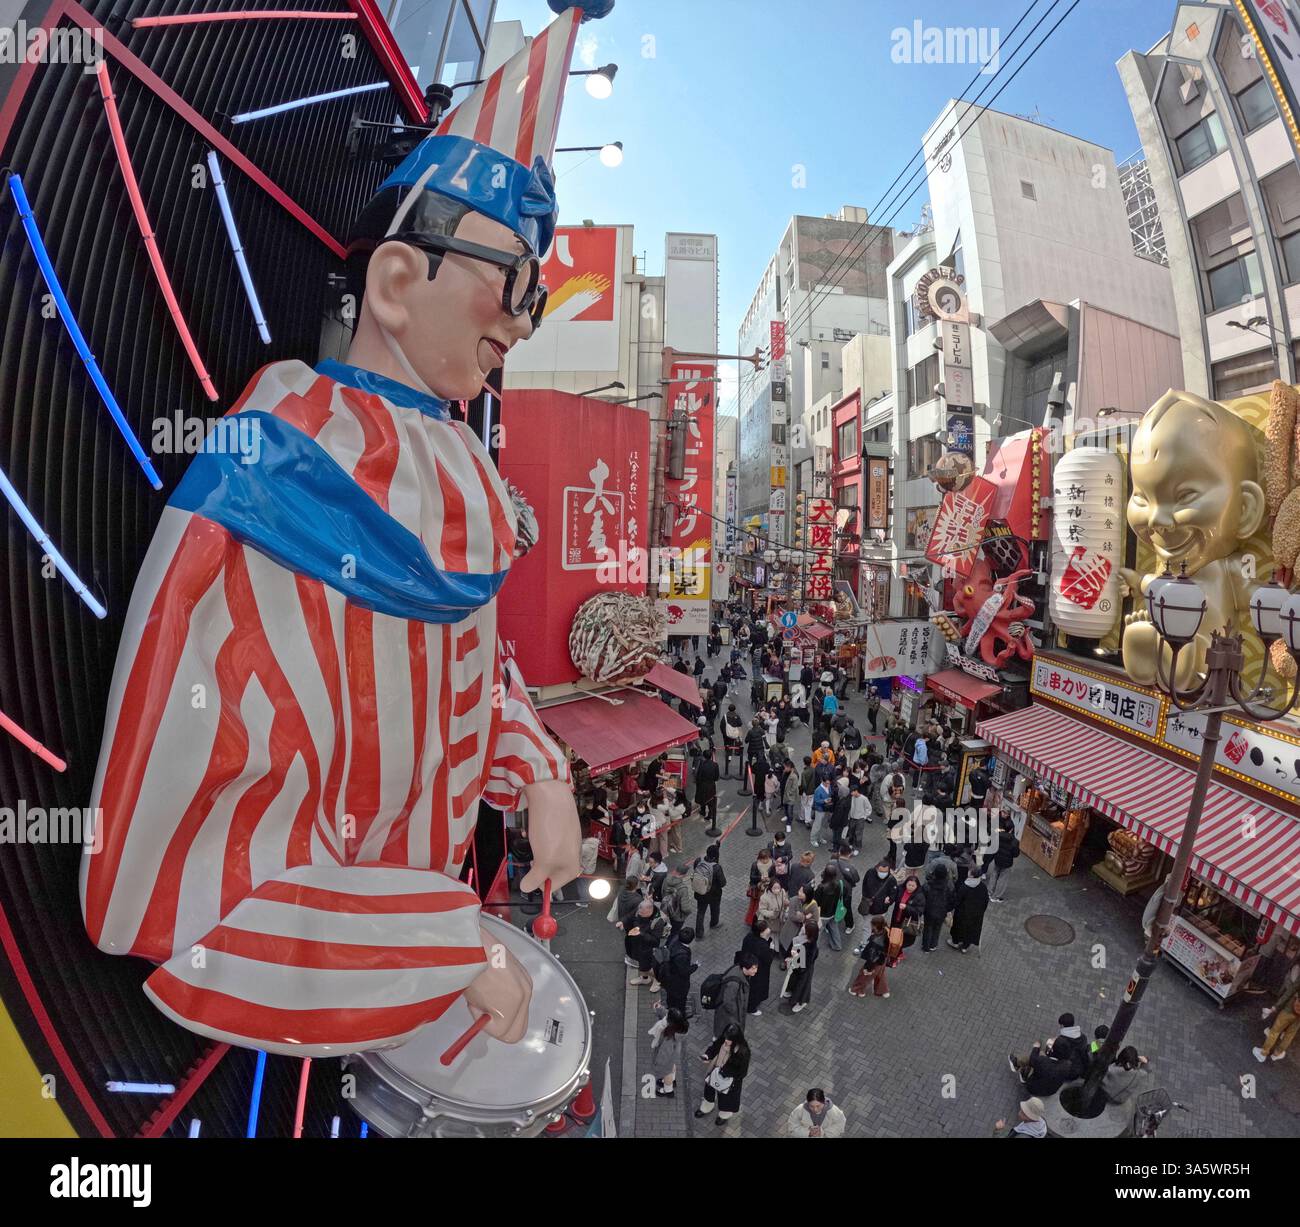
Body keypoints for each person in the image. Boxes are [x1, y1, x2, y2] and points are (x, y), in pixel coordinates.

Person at [696, 1022, 750, 1127]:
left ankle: (724, 1114)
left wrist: (725, 1072)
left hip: (729, 1079)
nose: (725, 1041)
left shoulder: (743, 1052)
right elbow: (714, 1047)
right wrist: (707, 1055)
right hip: (715, 1070)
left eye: (729, 1040)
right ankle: (707, 1106)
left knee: (727, 1098)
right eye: (725, 1037)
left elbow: (742, 1072)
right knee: (709, 1089)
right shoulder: (724, 1038)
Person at [1254, 968, 1300, 1063]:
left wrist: (1276, 1006)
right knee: (1289, 1035)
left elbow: (1290, 990)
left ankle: (1263, 1053)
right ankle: (1277, 1053)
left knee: (1275, 1030)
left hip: (1290, 1008)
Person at [947, 864, 990, 952]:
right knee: (971, 929)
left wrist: (951, 909)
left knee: (958, 927)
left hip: (963, 913)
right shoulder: (983, 887)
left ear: (971, 875)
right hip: (976, 914)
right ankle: (965, 947)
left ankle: (955, 942)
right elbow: (986, 900)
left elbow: (958, 900)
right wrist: (981, 911)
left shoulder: (964, 887)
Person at [1009, 1041, 1074, 1098]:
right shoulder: (1068, 1065)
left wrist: (1036, 1047)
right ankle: (1021, 1069)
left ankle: (1019, 1069)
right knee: (1040, 1057)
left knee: (1034, 1058)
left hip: (1034, 1088)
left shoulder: (1044, 1062)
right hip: (1050, 1091)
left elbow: (1033, 1059)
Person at [713, 955, 757, 1037]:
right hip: (729, 1015)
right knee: (725, 1030)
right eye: (753, 968)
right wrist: (737, 1015)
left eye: (756, 967)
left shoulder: (740, 971)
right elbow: (728, 1002)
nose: (756, 971)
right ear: (745, 968)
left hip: (732, 1012)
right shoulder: (733, 984)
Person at [848, 916, 891, 998]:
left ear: (875, 925)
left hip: (876, 961)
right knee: (880, 974)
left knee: (864, 976)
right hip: (882, 958)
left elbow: (872, 958)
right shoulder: (886, 930)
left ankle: (858, 991)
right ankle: (883, 991)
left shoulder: (876, 942)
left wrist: (867, 969)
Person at [626, 898, 665, 988]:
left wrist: (641, 933)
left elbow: (655, 940)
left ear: (650, 911)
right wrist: (636, 927)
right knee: (642, 965)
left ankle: (658, 979)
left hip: (648, 950)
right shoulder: (640, 911)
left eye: (642, 914)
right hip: (638, 946)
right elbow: (635, 919)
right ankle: (645, 978)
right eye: (639, 913)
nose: (640, 915)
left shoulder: (658, 922)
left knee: (646, 967)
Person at [651, 1004, 688, 1097]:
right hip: (673, 1055)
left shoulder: (669, 1039)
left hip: (668, 1057)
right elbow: (667, 1014)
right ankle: (672, 1080)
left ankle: (668, 1090)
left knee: (667, 1072)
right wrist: (659, 1008)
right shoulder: (681, 1025)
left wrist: (657, 1063)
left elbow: (664, 1055)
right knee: (672, 1067)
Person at [741, 920, 776, 1016]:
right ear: (761, 932)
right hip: (758, 971)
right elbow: (768, 959)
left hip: (747, 966)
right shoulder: (762, 946)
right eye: (766, 929)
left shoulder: (749, 937)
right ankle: (752, 1008)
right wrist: (772, 949)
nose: (768, 929)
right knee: (756, 989)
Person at [785, 919, 820, 1012]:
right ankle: (791, 991)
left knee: (803, 985)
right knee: (794, 980)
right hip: (797, 965)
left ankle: (802, 1002)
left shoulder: (812, 946)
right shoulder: (804, 937)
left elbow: (808, 962)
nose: (803, 927)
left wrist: (796, 957)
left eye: (805, 926)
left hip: (804, 969)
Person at [889, 874, 925, 967]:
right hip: (896, 919)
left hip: (906, 923)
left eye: (913, 886)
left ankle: (895, 958)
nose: (910, 887)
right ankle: (897, 953)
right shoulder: (900, 889)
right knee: (894, 939)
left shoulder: (919, 896)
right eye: (909, 885)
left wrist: (907, 907)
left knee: (900, 941)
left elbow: (919, 912)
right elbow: (894, 896)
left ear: (917, 886)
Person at [984, 813, 1020, 902]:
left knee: (994, 874)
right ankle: (996, 896)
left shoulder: (998, 836)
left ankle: (989, 891)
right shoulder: (1014, 841)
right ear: (1011, 830)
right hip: (1007, 863)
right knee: (1002, 879)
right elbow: (1015, 854)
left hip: (998, 859)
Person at [694, 843, 727, 938]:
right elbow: (723, 883)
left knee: (700, 912)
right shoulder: (716, 867)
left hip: (700, 892)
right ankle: (714, 923)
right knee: (715, 909)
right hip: (714, 894)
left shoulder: (698, 861)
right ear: (715, 856)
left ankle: (699, 934)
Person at [664, 925, 696, 1016]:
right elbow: (684, 972)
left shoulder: (674, 939)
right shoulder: (682, 955)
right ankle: (680, 1015)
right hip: (678, 982)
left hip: (669, 976)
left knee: (670, 996)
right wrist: (695, 966)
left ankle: (670, 1009)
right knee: (681, 999)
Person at [921, 863, 952, 953]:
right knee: (937, 928)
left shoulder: (927, 885)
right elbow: (952, 900)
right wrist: (948, 909)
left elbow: (922, 898)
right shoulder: (949, 886)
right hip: (942, 912)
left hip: (929, 911)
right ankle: (933, 945)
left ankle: (926, 946)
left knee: (927, 928)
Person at [815, 865, 846, 953]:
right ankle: (837, 945)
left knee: (818, 932)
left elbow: (816, 902)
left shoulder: (821, 887)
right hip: (833, 912)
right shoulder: (838, 885)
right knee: (834, 928)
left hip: (822, 915)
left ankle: (815, 948)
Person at [1049, 1013, 1090, 1079]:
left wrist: (1049, 1047)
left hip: (1068, 1071)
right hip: (1081, 1067)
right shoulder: (1083, 1037)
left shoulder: (1060, 1041)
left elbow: (1056, 1056)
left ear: (1062, 1025)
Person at [661, 861, 695, 936]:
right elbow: (685, 908)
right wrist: (689, 911)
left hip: (667, 909)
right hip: (677, 916)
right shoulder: (683, 888)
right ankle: (669, 945)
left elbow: (662, 892)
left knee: (672, 925)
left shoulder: (666, 879)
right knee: (675, 932)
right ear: (684, 874)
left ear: (676, 871)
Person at [833, 844, 861, 937]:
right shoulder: (851, 868)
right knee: (847, 908)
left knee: (834, 904)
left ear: (839, 852)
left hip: (833, 889)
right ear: (849, 855)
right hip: (846, 892)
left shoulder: (831, 862)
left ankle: (834, 918)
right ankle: (850, 925)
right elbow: (857, 879)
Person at [747, 848, 775, 925]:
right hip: (756, 889)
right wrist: (760, 878)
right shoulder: (755, 865)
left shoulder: (772, 864)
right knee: (754, 905)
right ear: (759, 858)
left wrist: (769, 879)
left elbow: (774, 876)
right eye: (763, 859)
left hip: (767, 888)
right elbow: (752, 877)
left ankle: (761, 920)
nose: (765, 861)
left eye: (766, 859)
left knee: (763, 905)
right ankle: (751, 920)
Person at [694, 748, 720, 830]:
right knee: (711, 800)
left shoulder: (702, 765)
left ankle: (703, 811)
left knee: (702, 798)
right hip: (711, 785)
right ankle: (710, 814)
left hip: (703, 785)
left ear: (704, 757)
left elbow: (698, 776)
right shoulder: (715, 765)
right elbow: (717, 777)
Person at [847, 783, 873, 855]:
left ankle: (857, 848)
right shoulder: (851, 797)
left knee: (858, 833)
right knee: (851, 832)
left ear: (856, 791)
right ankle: (851, 844)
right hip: (852, 818)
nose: (851, 793)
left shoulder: (864, 799)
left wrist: (864, 816)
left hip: (860, 819)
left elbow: (869, 808)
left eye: (852, 792)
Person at [722, 705, 745, 779]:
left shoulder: (725, 716)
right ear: (734, 709)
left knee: (727, 743)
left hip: (726, 733)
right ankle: (730, 755)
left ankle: (727, 753)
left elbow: (721, 725)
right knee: (732, 743)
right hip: (733, 733)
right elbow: (740, 724)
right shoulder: (736, 716)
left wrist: (724, 732)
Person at [810, 775, 833, 849]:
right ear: (822, 781)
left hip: (826, 809)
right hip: (820, 810)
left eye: (829, 783)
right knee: (817, 825)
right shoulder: (818, 790)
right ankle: (813, 839)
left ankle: (820, 837)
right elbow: (816, 801)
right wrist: (824, 800)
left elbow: (830, 793)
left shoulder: (829, 787)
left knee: (824, 825)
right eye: (826, 783)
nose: (828, 785)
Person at [799, 755, 817, 827]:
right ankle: (808, 820)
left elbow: (804, 785)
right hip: (812, 791)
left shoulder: (804, 772)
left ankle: (802, 818)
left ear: (804, 763)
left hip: (806, 792)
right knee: (809, 806)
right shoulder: (813, 769)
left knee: (803, 804)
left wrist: (802, 791)